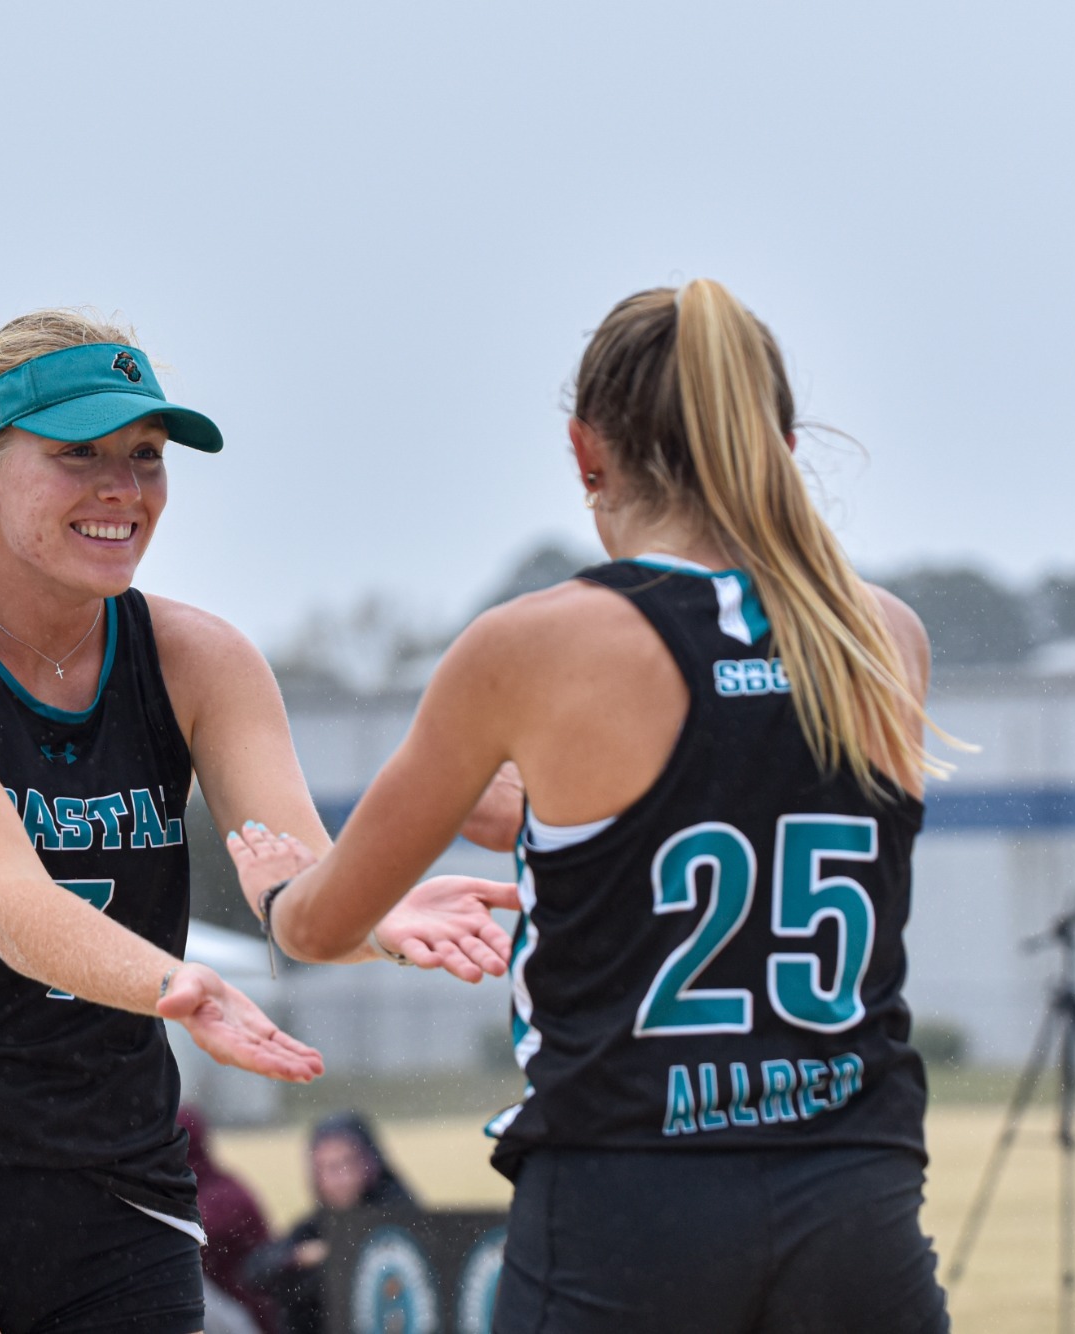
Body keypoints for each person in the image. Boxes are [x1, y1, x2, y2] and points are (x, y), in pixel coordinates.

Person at [0, 309, 518, 1334]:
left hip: (115, 1192)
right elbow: (9, 903)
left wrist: (373, 911)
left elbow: (291, 881)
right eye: (79, 454)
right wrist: (177, 985)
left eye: (147, 456)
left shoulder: (202, 658)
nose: (123, 486)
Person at [230, 280, 954, 1332]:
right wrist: (551, 829)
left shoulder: (535, 644)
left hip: (628, 1197)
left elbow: (321, 925)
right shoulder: (883, 634)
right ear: (783, 449)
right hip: (851, 1192)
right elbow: (724, 799)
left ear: (584, 450)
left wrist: (278, 890)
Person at [244, 1112, 418, 1334]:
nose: (338, 1179)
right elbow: (257, 1271)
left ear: (369, 1163)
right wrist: (299, 1257)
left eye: (345, 1164)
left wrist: (336, 1255)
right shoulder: (321, 1224)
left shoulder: (399, 1215)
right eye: (325, 1168)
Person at [175, 1105, 275, 1334]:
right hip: (232, 1317)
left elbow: (176, 1240)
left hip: (251, 1322)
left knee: (171, 1278)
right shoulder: (208, 1187)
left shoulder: (223, 1196)